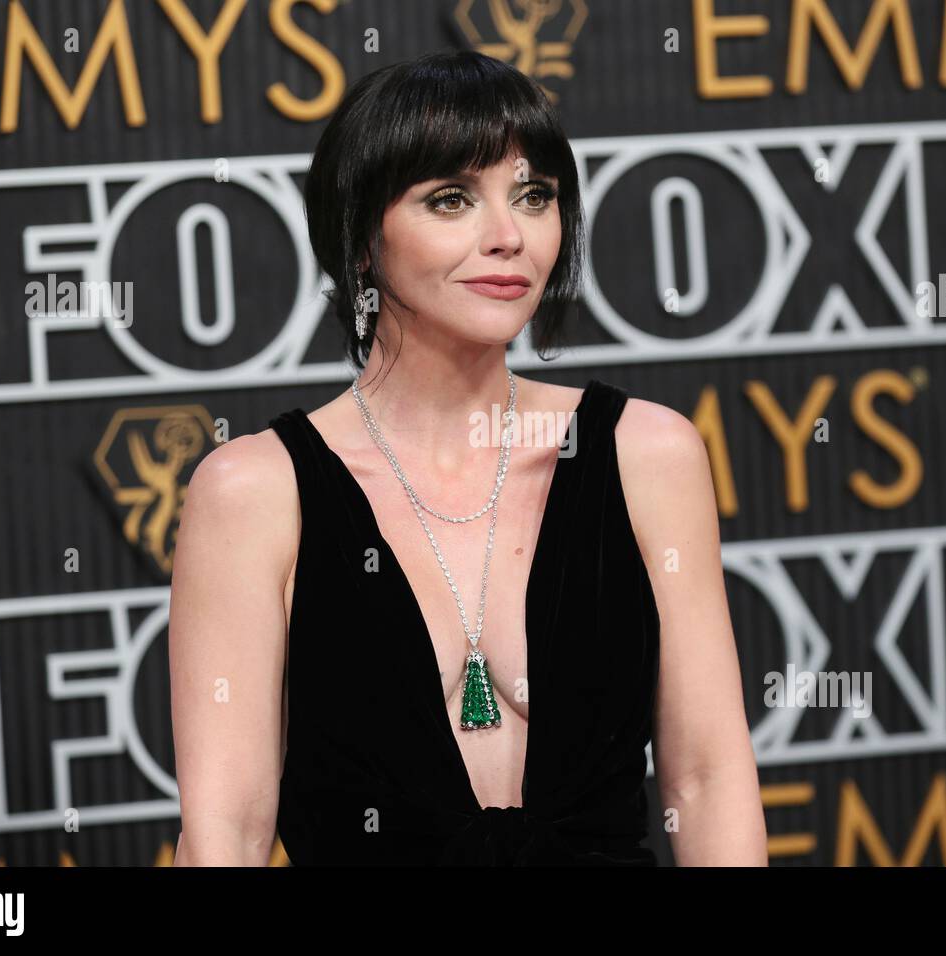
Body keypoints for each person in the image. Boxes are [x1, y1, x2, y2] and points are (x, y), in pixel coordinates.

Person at [168, 50, 765, 866]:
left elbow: (706, 780)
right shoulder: (254, 492)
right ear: (361, 239)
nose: (509, 236)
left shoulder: (646, 453)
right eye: (451, 199)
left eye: (535, 196)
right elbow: (225, 833)